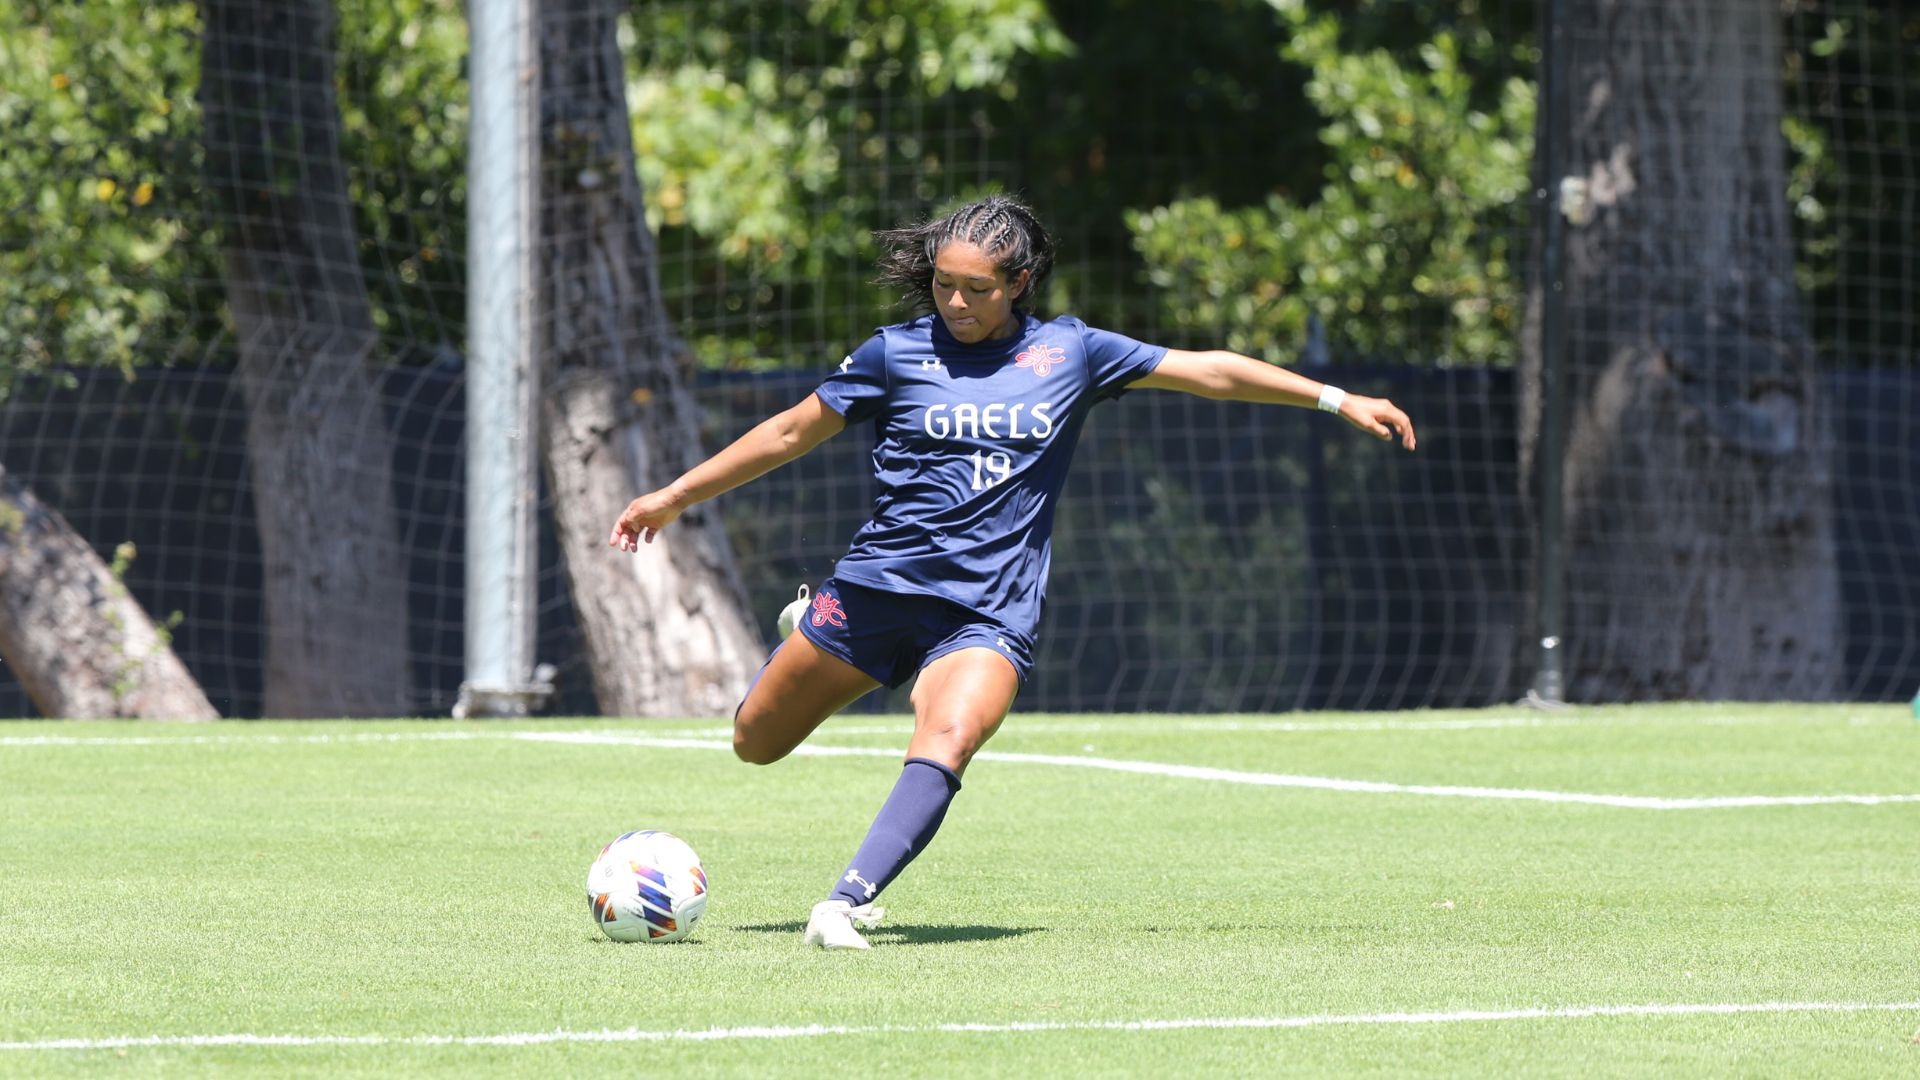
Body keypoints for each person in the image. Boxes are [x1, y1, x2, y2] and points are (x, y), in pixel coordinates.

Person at [609, 195, 1416, 949]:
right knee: (754, 742)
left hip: (987, 610)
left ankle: (842, 903)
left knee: (951, 735)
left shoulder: (1071, 352)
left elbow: (1207, 371)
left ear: (1020, 281)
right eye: (943, 285)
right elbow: (790, 433)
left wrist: (1335, 399)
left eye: (978, 289)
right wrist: (672, 498)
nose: (956, 303)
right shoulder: (894, 353)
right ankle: (808, 628)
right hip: (877, 590)